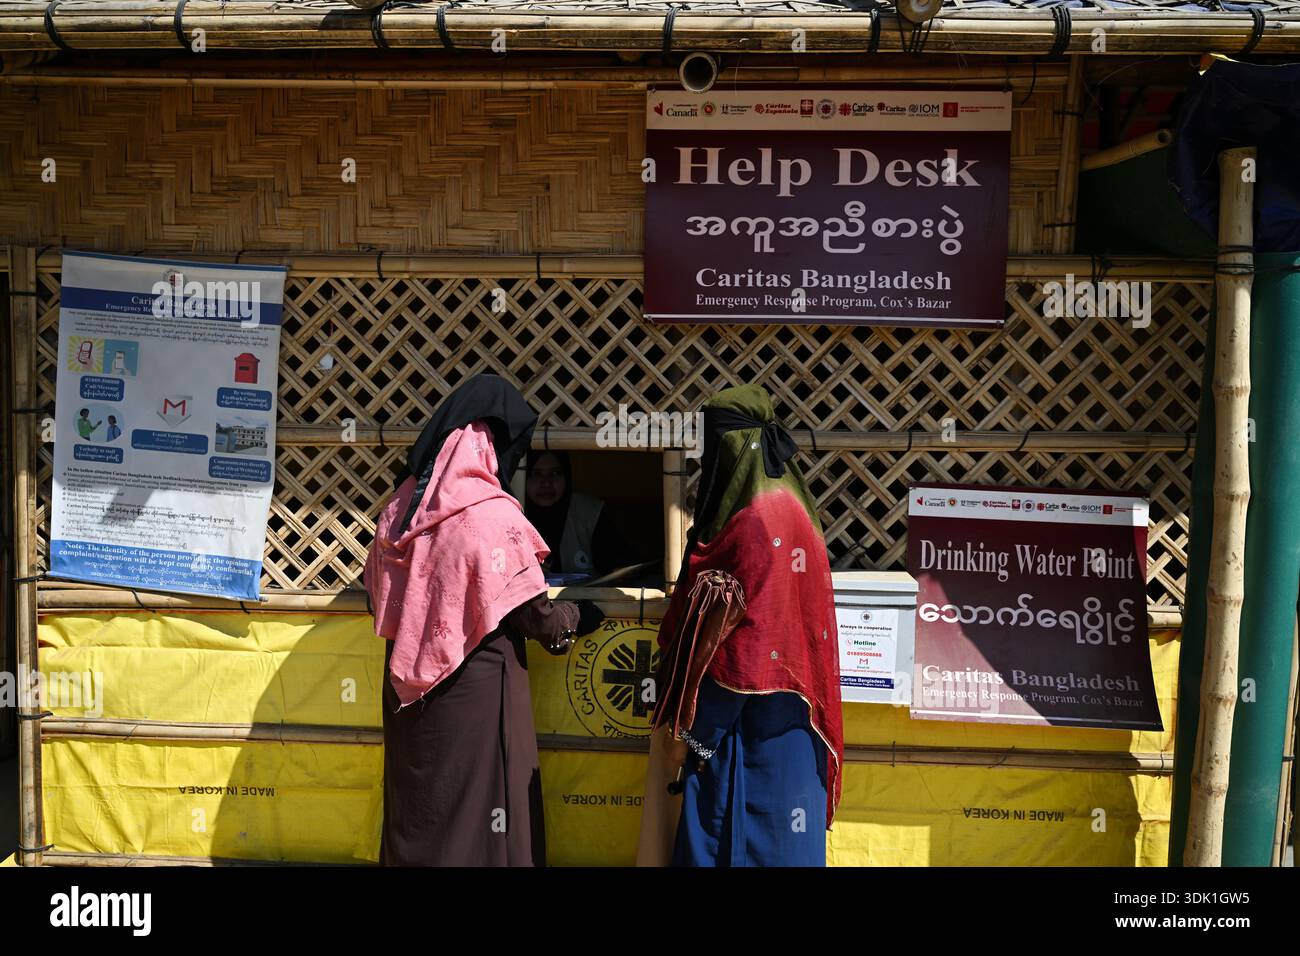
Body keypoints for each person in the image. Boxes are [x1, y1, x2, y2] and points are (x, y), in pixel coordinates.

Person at [364, 374, 601, 866]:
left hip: (406, 695)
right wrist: (581, 615)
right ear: (487, 452)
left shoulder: (397, 514)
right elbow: (543, 623)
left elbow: (379, 600)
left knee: (420, 807)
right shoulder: (496, 520)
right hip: (477, 693)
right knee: (484, 816)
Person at [650, 384, 843, 867]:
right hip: (795, 737)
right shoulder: (797, 509)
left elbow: (747, 657)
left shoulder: (753, 525)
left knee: (731, 841)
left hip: (743, 731)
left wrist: (694, 739)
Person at [524, 449, 621, 575]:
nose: (546, 483)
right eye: (536, 474)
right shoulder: (510, 513)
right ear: (524, 477)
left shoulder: (588, 512)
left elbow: (617, 565)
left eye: (555, 473)